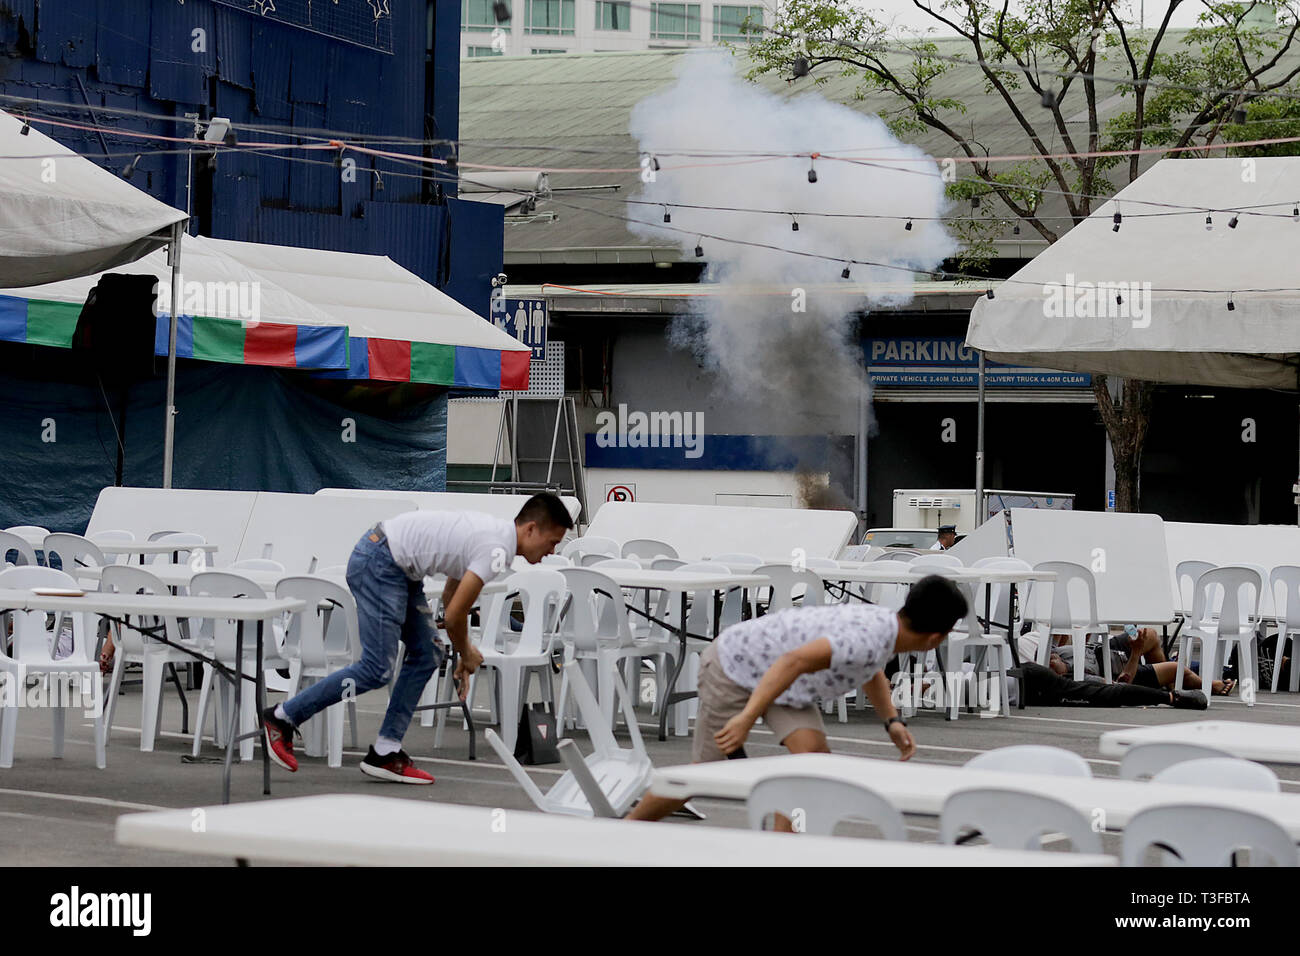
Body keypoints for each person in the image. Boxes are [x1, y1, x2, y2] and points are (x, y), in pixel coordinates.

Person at [262, 493, 573, 783]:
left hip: (392, 562)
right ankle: (282, 717)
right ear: (531, 529)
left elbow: (454, 593)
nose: (552, 552)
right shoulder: (497, 549)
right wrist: (467, 653)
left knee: (428, 653)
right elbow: (453, 616)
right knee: (376, 669)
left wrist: (461, 650)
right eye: (552, 541)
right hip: (382, 561)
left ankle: (385, 750)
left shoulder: (493, 535)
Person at [627, 574, 969, 824]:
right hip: (734, 668)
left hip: (786, 681)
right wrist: (747, 717)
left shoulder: (886, 628)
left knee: (811, 764)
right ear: (937, 637)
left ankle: (781, 851)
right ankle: (625, 829)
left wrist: (891, 720)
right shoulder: (871, 637)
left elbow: (869, 670)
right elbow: (794, 661)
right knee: (705, 772)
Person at [1019, 659, 1207, 709]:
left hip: (1030, 683)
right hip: (1027, 681)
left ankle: (1171, 697)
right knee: (1096, 691)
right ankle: (1171, 697)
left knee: (1101, 695)